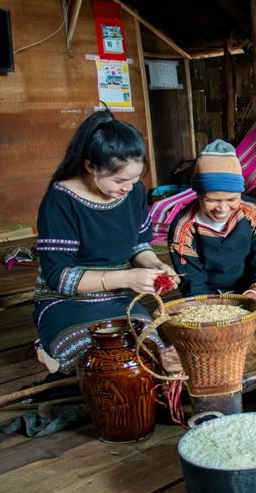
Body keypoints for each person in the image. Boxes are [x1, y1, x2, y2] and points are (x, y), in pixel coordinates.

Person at [33, 109, 178, 375]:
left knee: (150, 359)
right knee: (100, 367)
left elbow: (138, 245)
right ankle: (47, 349)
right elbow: (59, 277)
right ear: (90, 166)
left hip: (117, 299)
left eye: (135, 179)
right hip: (65, 303)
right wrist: (127, 278)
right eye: (119, 180)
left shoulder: (133, 193)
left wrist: (155, 265)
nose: (128, 187)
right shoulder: (61, 201)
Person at [168, 139, 256, 299]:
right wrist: (215, 309)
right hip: (209, 296)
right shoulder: (183, 227)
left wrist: (252, 296)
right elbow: (193, 283)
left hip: (252, 290)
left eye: (231, 199)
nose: (222, 208)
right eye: (212, 200)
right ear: (199, 194)